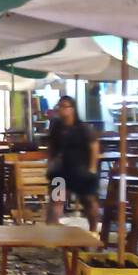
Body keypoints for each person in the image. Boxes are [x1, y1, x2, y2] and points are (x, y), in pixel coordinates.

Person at [46, 95, 99, 230]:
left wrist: (92, 168)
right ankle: (52, 233)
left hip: (81, 170)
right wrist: (51, 162)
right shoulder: (56, 126)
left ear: (72, 109)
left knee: (88, 201)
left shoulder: (82, 128)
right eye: (59, 106)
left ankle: (93, 230)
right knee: (56, 200)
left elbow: (94, 146)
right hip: (61, 170)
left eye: (64, 106)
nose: (61, 109)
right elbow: (52, 146)